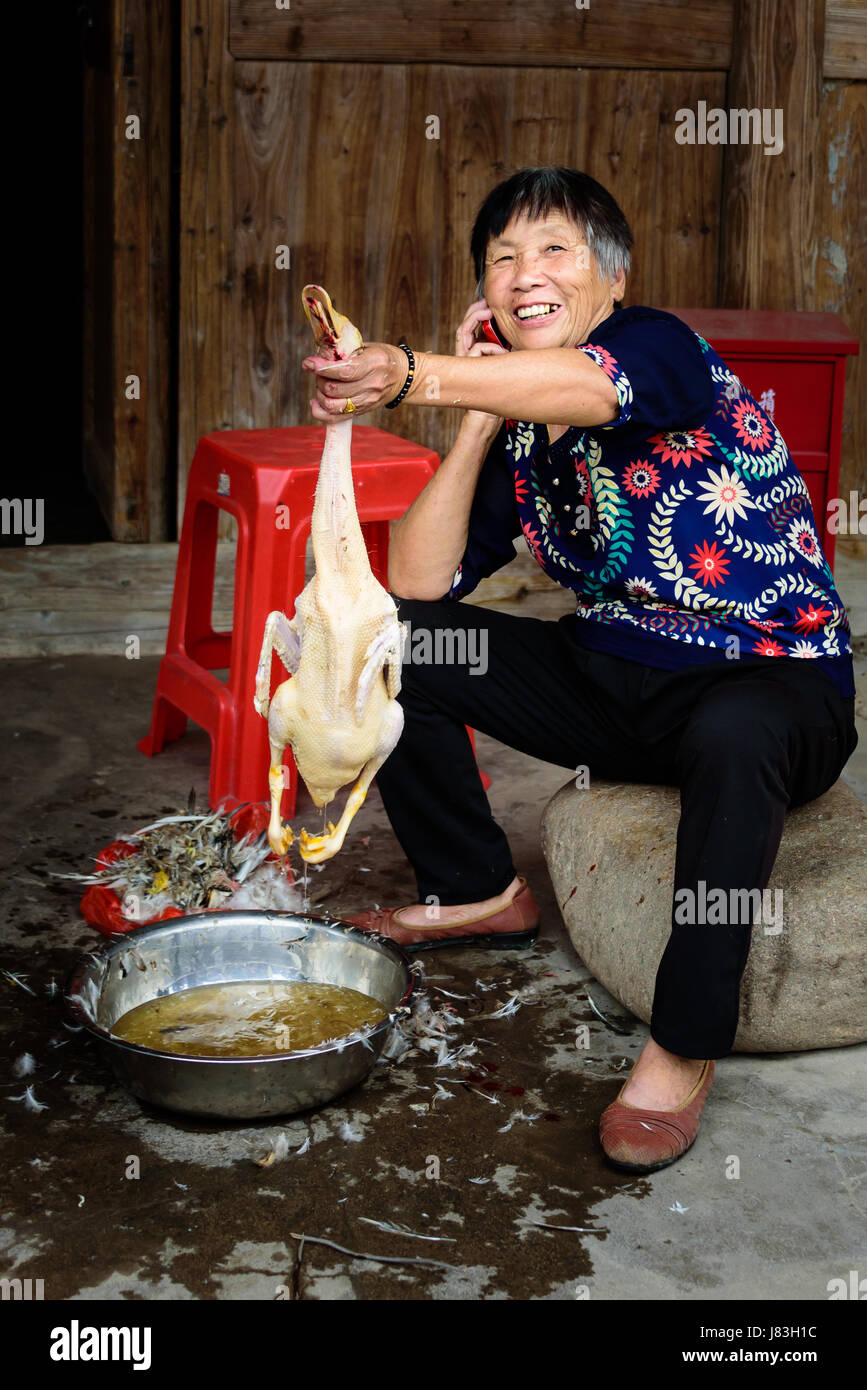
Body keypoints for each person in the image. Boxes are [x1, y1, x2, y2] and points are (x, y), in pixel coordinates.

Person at [301, 166, 857, 1173]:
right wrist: (473, 417)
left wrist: (417, 372)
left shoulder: (656, 348)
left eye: (552, 248)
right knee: (397, 639)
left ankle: (684, 1045)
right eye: (501, 258)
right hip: (617, 684)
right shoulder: (521, 424)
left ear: (608, 273)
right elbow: (418, 576)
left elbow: (594, 387)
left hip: (769, 683)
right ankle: (475, 887)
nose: (525, 275)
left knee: (737, 731)